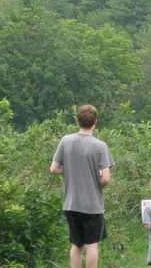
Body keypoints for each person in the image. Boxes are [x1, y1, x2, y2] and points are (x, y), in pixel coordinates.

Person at [51, 105, 114, 268]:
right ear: (95, 122)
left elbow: (54, 168)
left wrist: (72, 169)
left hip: (71, 203)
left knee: (76, 244)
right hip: (92, 205)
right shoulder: (100, 146)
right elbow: (106, 179)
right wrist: (94, 176)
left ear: (77, 120)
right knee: (92, 244)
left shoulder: (66, 140)